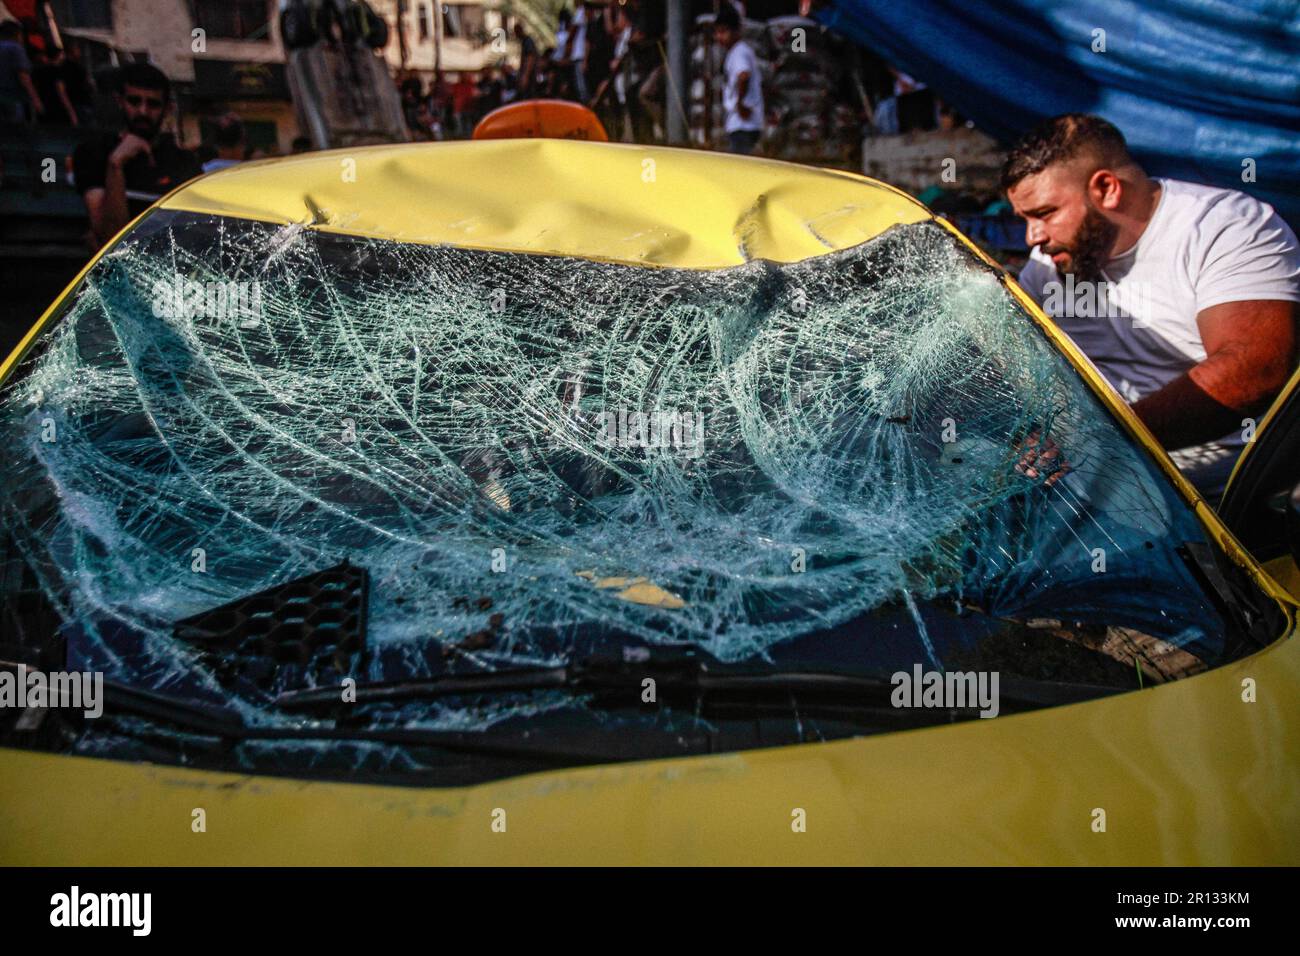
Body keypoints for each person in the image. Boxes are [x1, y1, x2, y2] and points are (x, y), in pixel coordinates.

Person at [1003, 113, 1300, 499]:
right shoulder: (1048, 266)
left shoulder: (1226, 228)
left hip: (1237, 492)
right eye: (1024, 219)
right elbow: (1015, 360)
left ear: (1107, 189)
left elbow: (1254, 370)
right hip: (1107, 484)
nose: (1033, 237)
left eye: (1044, 214)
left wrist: (1105, 437)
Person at [72, 61, 202, 249]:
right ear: (120, 102)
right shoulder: (94, 153)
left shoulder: (183, 162)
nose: (143, 112)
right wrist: (116, 165)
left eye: (153, 104)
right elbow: (109, 238)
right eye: (134, 101)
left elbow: (191, 233)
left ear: (167, 109)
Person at [714, 2, 762, 155]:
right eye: (717, 32)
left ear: (736, 32)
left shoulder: (739, 52)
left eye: (723, 32)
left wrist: (740, 104)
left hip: (743, 122)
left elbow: (743, 75)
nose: (719, 37)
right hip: (742, 121)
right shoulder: (735, 52)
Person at [0, 20, 41, 122]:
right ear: (17, 34)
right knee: (16, 131)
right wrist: (35, 98)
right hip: (12, 97)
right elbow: (23, 76)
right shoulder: (15, 49)